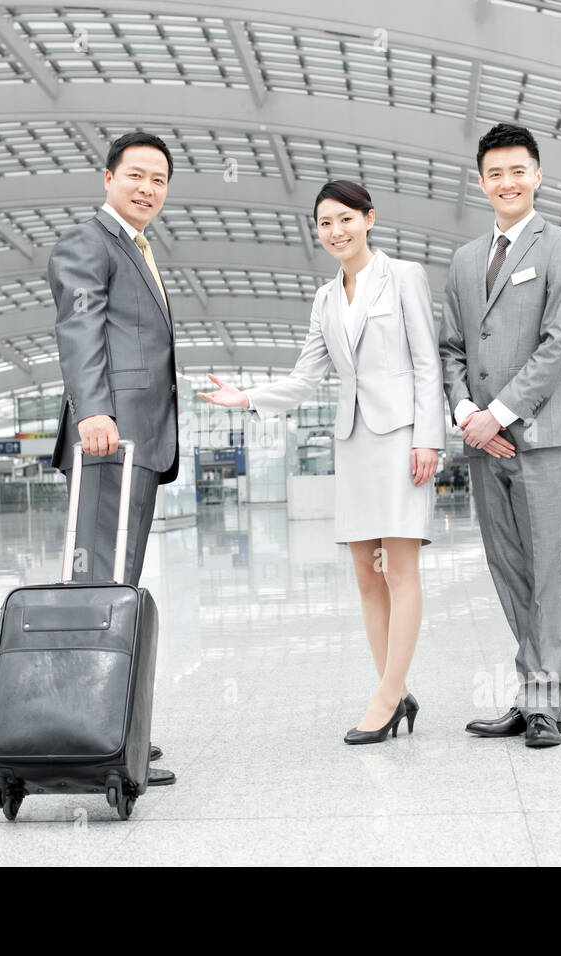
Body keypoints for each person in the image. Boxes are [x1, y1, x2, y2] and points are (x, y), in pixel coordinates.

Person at [199, 181, 446, 744]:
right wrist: (249, 397)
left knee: (402, 570)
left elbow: (426, 362)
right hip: (355, 441)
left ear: (369, 219)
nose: (335, 232)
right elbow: (308, 377)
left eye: (345, 219)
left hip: (403, 437)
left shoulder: (403, 277)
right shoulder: (325, 298)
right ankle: (398, 690)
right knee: (366, 573)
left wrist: (429, 438)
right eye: (324, 224)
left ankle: (387, 696)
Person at [439, 123, 561, 749]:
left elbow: (559, 345)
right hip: (482, 441)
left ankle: (548, 704)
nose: (508, 182)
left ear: (538, 176)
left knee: (547, 572)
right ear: (481, 182)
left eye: (518, 171)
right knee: (508, 570)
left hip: (540, 437)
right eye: (495, 174)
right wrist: (466, 411)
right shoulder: (465, 260)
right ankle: (531, 697)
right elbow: (451, 348)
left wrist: (496, 414)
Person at [48, 131, 180, 785]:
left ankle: (110, 730)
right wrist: (93, 410)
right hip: (110, 440)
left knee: (115, 587)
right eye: (135, 175)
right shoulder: (88, 243)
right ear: (107, 177)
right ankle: (85, 734)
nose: (147, 188)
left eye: (158, 179)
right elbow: (80, 326)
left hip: (139, 445)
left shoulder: (139, 248)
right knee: (96, 589)